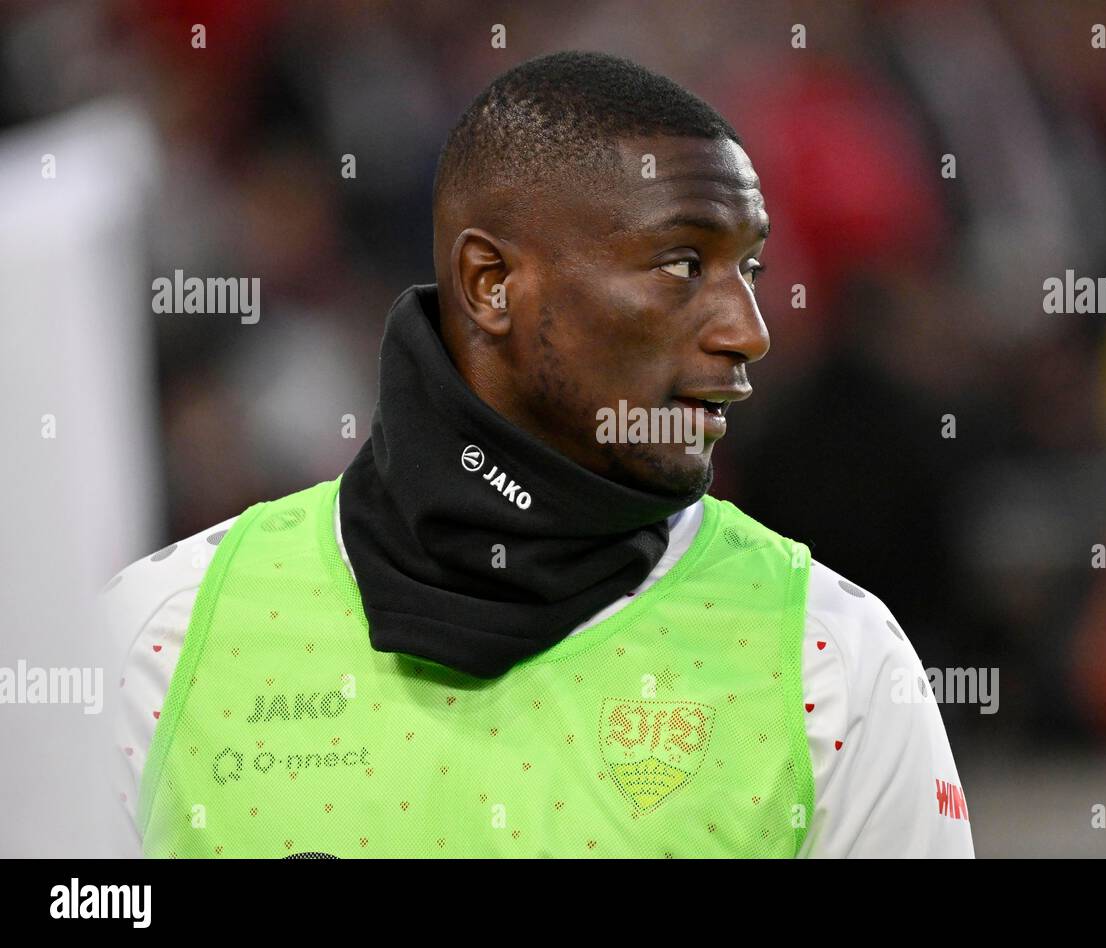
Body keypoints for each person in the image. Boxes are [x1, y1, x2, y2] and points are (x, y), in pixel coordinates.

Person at [103, 50, 973, 858]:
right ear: (492, 285)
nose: (749, 332)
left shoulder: (834, 666)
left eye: (749, 269)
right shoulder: (162, 637)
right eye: (680, 265)